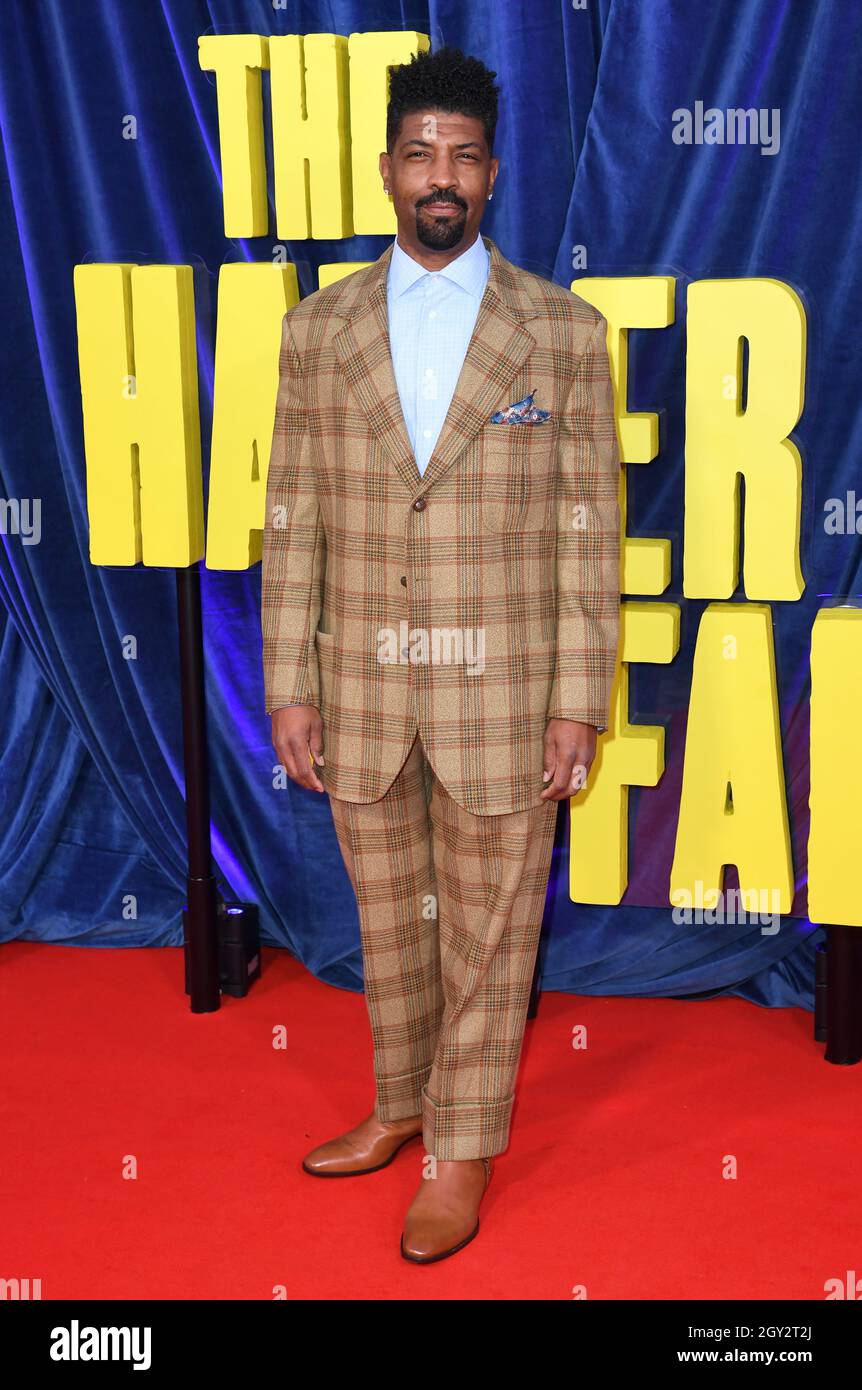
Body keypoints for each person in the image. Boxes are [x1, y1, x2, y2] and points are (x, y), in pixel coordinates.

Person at [261, 44, 621, 1264]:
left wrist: (579, 700)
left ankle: (462, 1148)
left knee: (490, 925)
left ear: (494, 172)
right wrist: (289, 683)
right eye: (420, 152)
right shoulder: (315, 333)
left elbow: (592, 538)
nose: (441, 176)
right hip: (359, 681)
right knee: (391, 917)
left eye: (463, 155)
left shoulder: (562, 336)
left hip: (505, 689)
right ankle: (401, 1102)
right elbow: (291, 516)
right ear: (384, 169)